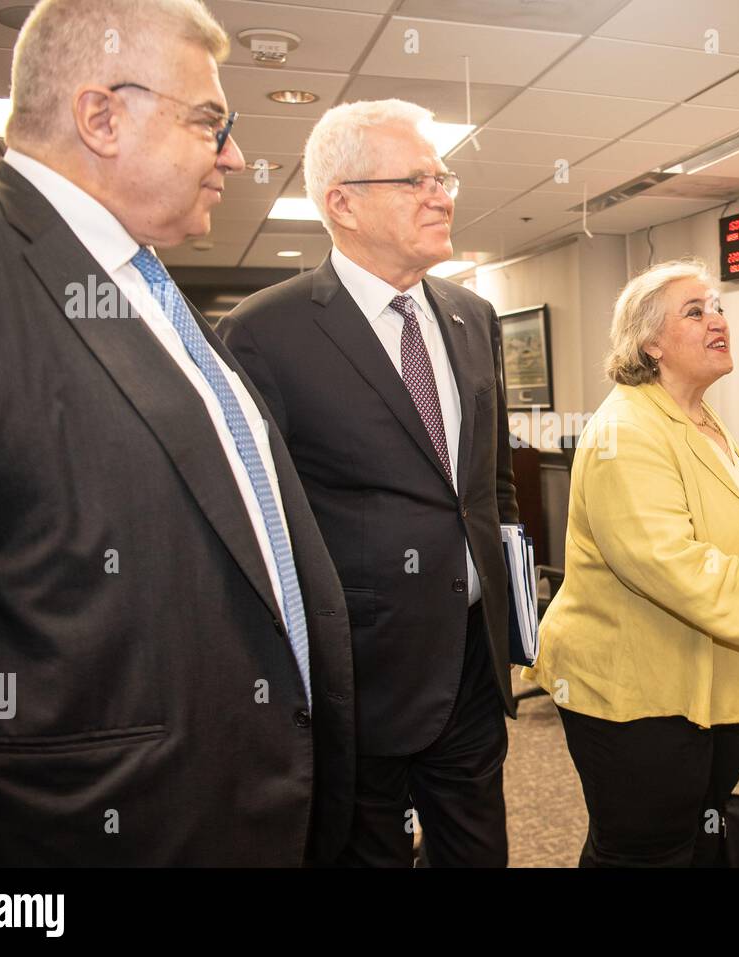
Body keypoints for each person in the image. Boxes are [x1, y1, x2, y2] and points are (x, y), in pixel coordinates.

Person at [0, 0, 356, 866]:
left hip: (242, 806)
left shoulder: (149, 290)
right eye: (208, 122)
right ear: (101, 117)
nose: (232, 152)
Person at [222, 99, 519, 868]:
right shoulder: (265, 332)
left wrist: (514, 618)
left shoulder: (472, 315)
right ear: (341, 203)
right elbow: (260, 525)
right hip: (356, 674)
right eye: (414, 178)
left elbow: (491, 486)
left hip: (472, 664)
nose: (442, 193)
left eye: (442, 175)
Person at [523, 259, 739, 867]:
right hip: (634, 688)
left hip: (709, 673)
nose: (717, 320)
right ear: (651, 343)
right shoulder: (627, 431)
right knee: (642, 851)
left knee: (693, 836)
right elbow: (668, 562)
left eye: (718, 307)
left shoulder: (699, 419)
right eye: (695, 312)